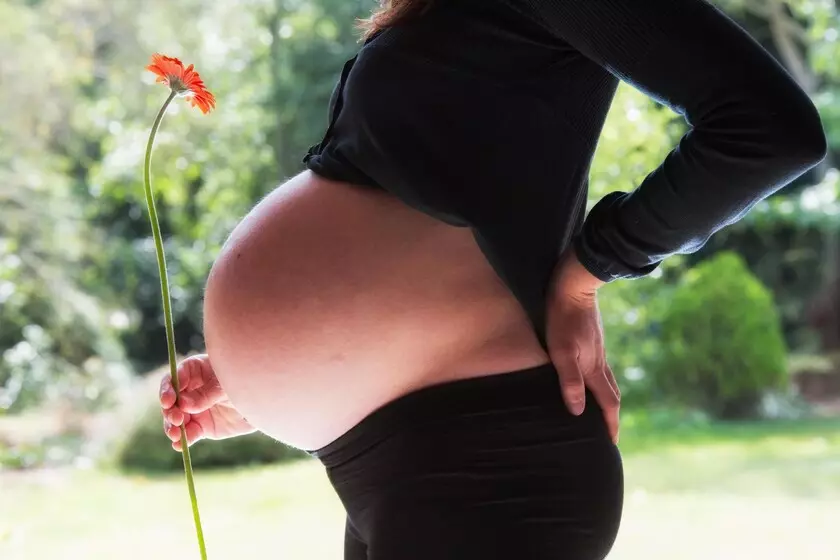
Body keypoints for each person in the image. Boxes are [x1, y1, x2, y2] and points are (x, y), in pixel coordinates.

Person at [159, 1, 827, 558]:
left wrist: (589, 267)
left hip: (483, 466)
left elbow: (768, 128)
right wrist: (264, 384)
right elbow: (466, 195)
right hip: (399, 453)